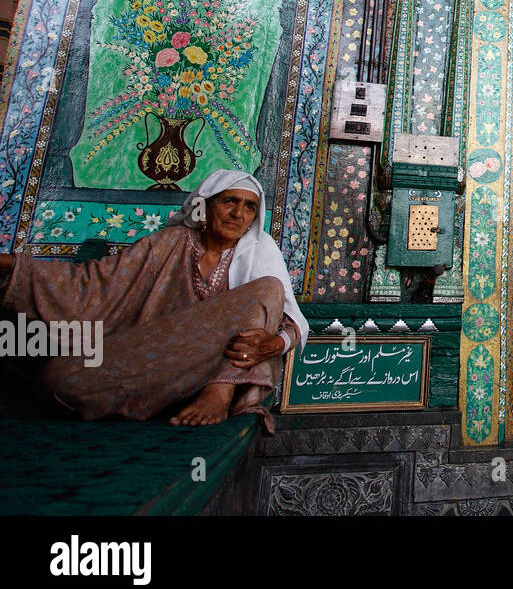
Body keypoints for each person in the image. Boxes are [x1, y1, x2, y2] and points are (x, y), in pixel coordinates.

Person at [0, 169, 308, 428]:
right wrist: (13, 266)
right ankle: (161, 397)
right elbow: (95, 282)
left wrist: (274, 344)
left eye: (250, 207)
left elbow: (292, 321)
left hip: (220, 366)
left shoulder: (260, 251)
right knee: (59, 380)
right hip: (156, 356)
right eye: (229, 202)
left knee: (269, 288)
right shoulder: (168, 243)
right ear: (204, 207)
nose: (239, 214)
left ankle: (219, 392)